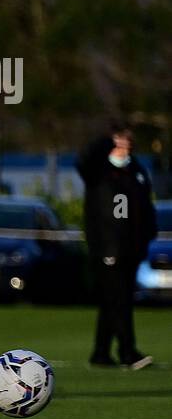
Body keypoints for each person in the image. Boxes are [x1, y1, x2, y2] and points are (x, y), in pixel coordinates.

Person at [76, 122, 156, 369]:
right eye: (120, 139)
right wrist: (106, 140)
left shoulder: (137, 171)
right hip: (107, 248)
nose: (126, 144)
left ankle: (100, 353)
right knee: (118, 300)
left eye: (128, 139)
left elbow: (145, 208)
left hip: (132, 248)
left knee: (115, 301)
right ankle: (128, 351)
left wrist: (146, 236)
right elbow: (83, 161)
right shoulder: (98, 171)